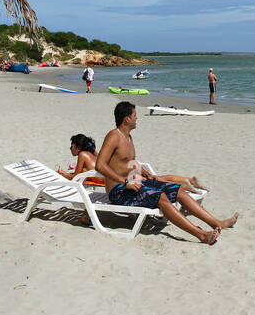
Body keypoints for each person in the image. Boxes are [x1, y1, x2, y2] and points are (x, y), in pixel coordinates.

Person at [95, 102, 237, 245]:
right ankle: (201, 235)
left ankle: (216, 223)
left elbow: (127, 163)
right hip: (118, 191)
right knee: (160, 196)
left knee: (177, 189)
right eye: (134, 115)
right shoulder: (113, 136)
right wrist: (125, 182)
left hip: (134, 184)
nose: (137, 118)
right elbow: (100, 165)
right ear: (127, 119)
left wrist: (145, 173)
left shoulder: (129, 137)